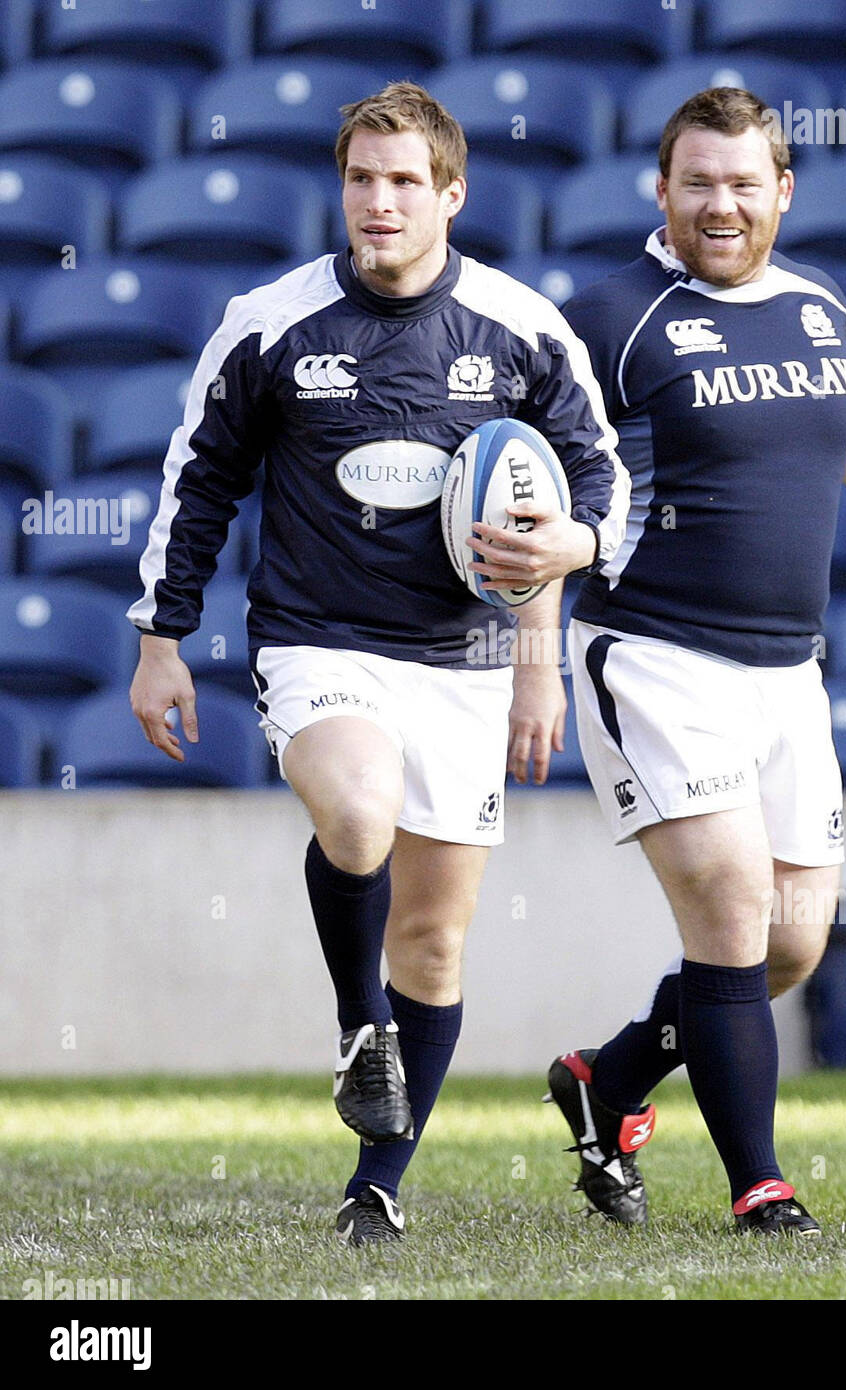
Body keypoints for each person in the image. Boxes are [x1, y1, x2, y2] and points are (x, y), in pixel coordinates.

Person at [127, 81, 629, 1246]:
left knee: (437, 940)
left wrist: (569, 568)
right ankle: (361, 1026)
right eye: (362, 178)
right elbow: (197, 479)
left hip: (464, 660)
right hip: (319, 642)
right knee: (358, 816)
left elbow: (600, 483)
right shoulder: (270, 323)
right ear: (341, 186)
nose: (381, 201)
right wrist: (161, 637)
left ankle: (377, 1187)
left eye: (407, 181)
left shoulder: (520, 328)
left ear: (452, 193)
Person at [545, 88, 846, 1236]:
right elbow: (525, 481)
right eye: (697, 182)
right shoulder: (607, 317)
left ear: (782, 191)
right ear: (660, 191)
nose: (722, 204)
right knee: (727, 912)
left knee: (789, 943)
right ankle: (759, 1186)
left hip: (786, 670)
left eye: (742, 182)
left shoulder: (817, 304)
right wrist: (531, 641)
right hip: (654, 653)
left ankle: (607, 1080)